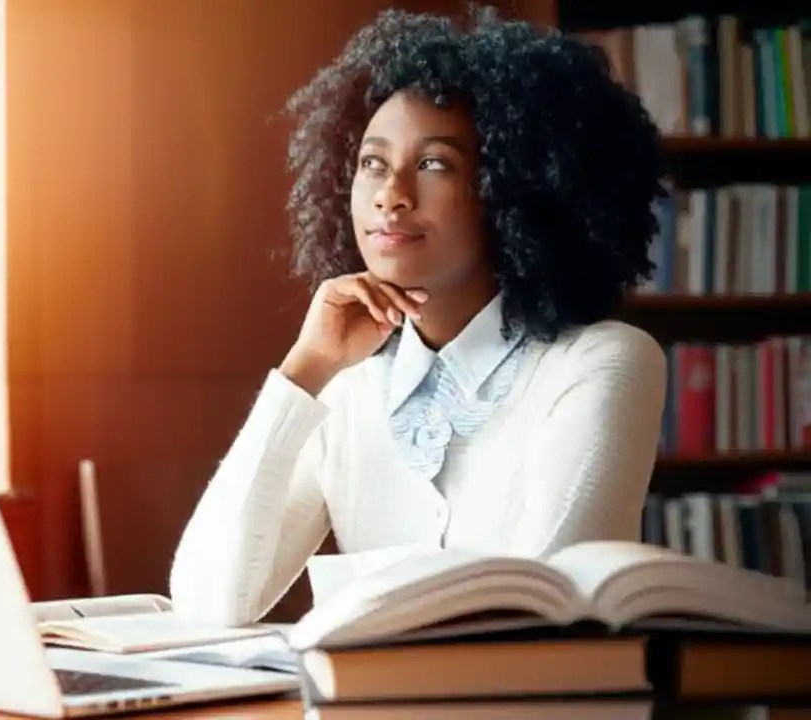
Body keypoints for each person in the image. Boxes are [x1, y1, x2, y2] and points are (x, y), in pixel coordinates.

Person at [169, 7, 669, 627]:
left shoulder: (603, 361)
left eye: (434, 163)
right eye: (373, 163)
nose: (390, 193)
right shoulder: (348, 387)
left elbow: (539, 611)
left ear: (517, 188)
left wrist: (355, 592)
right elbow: (206, 605)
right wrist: (304, 372)